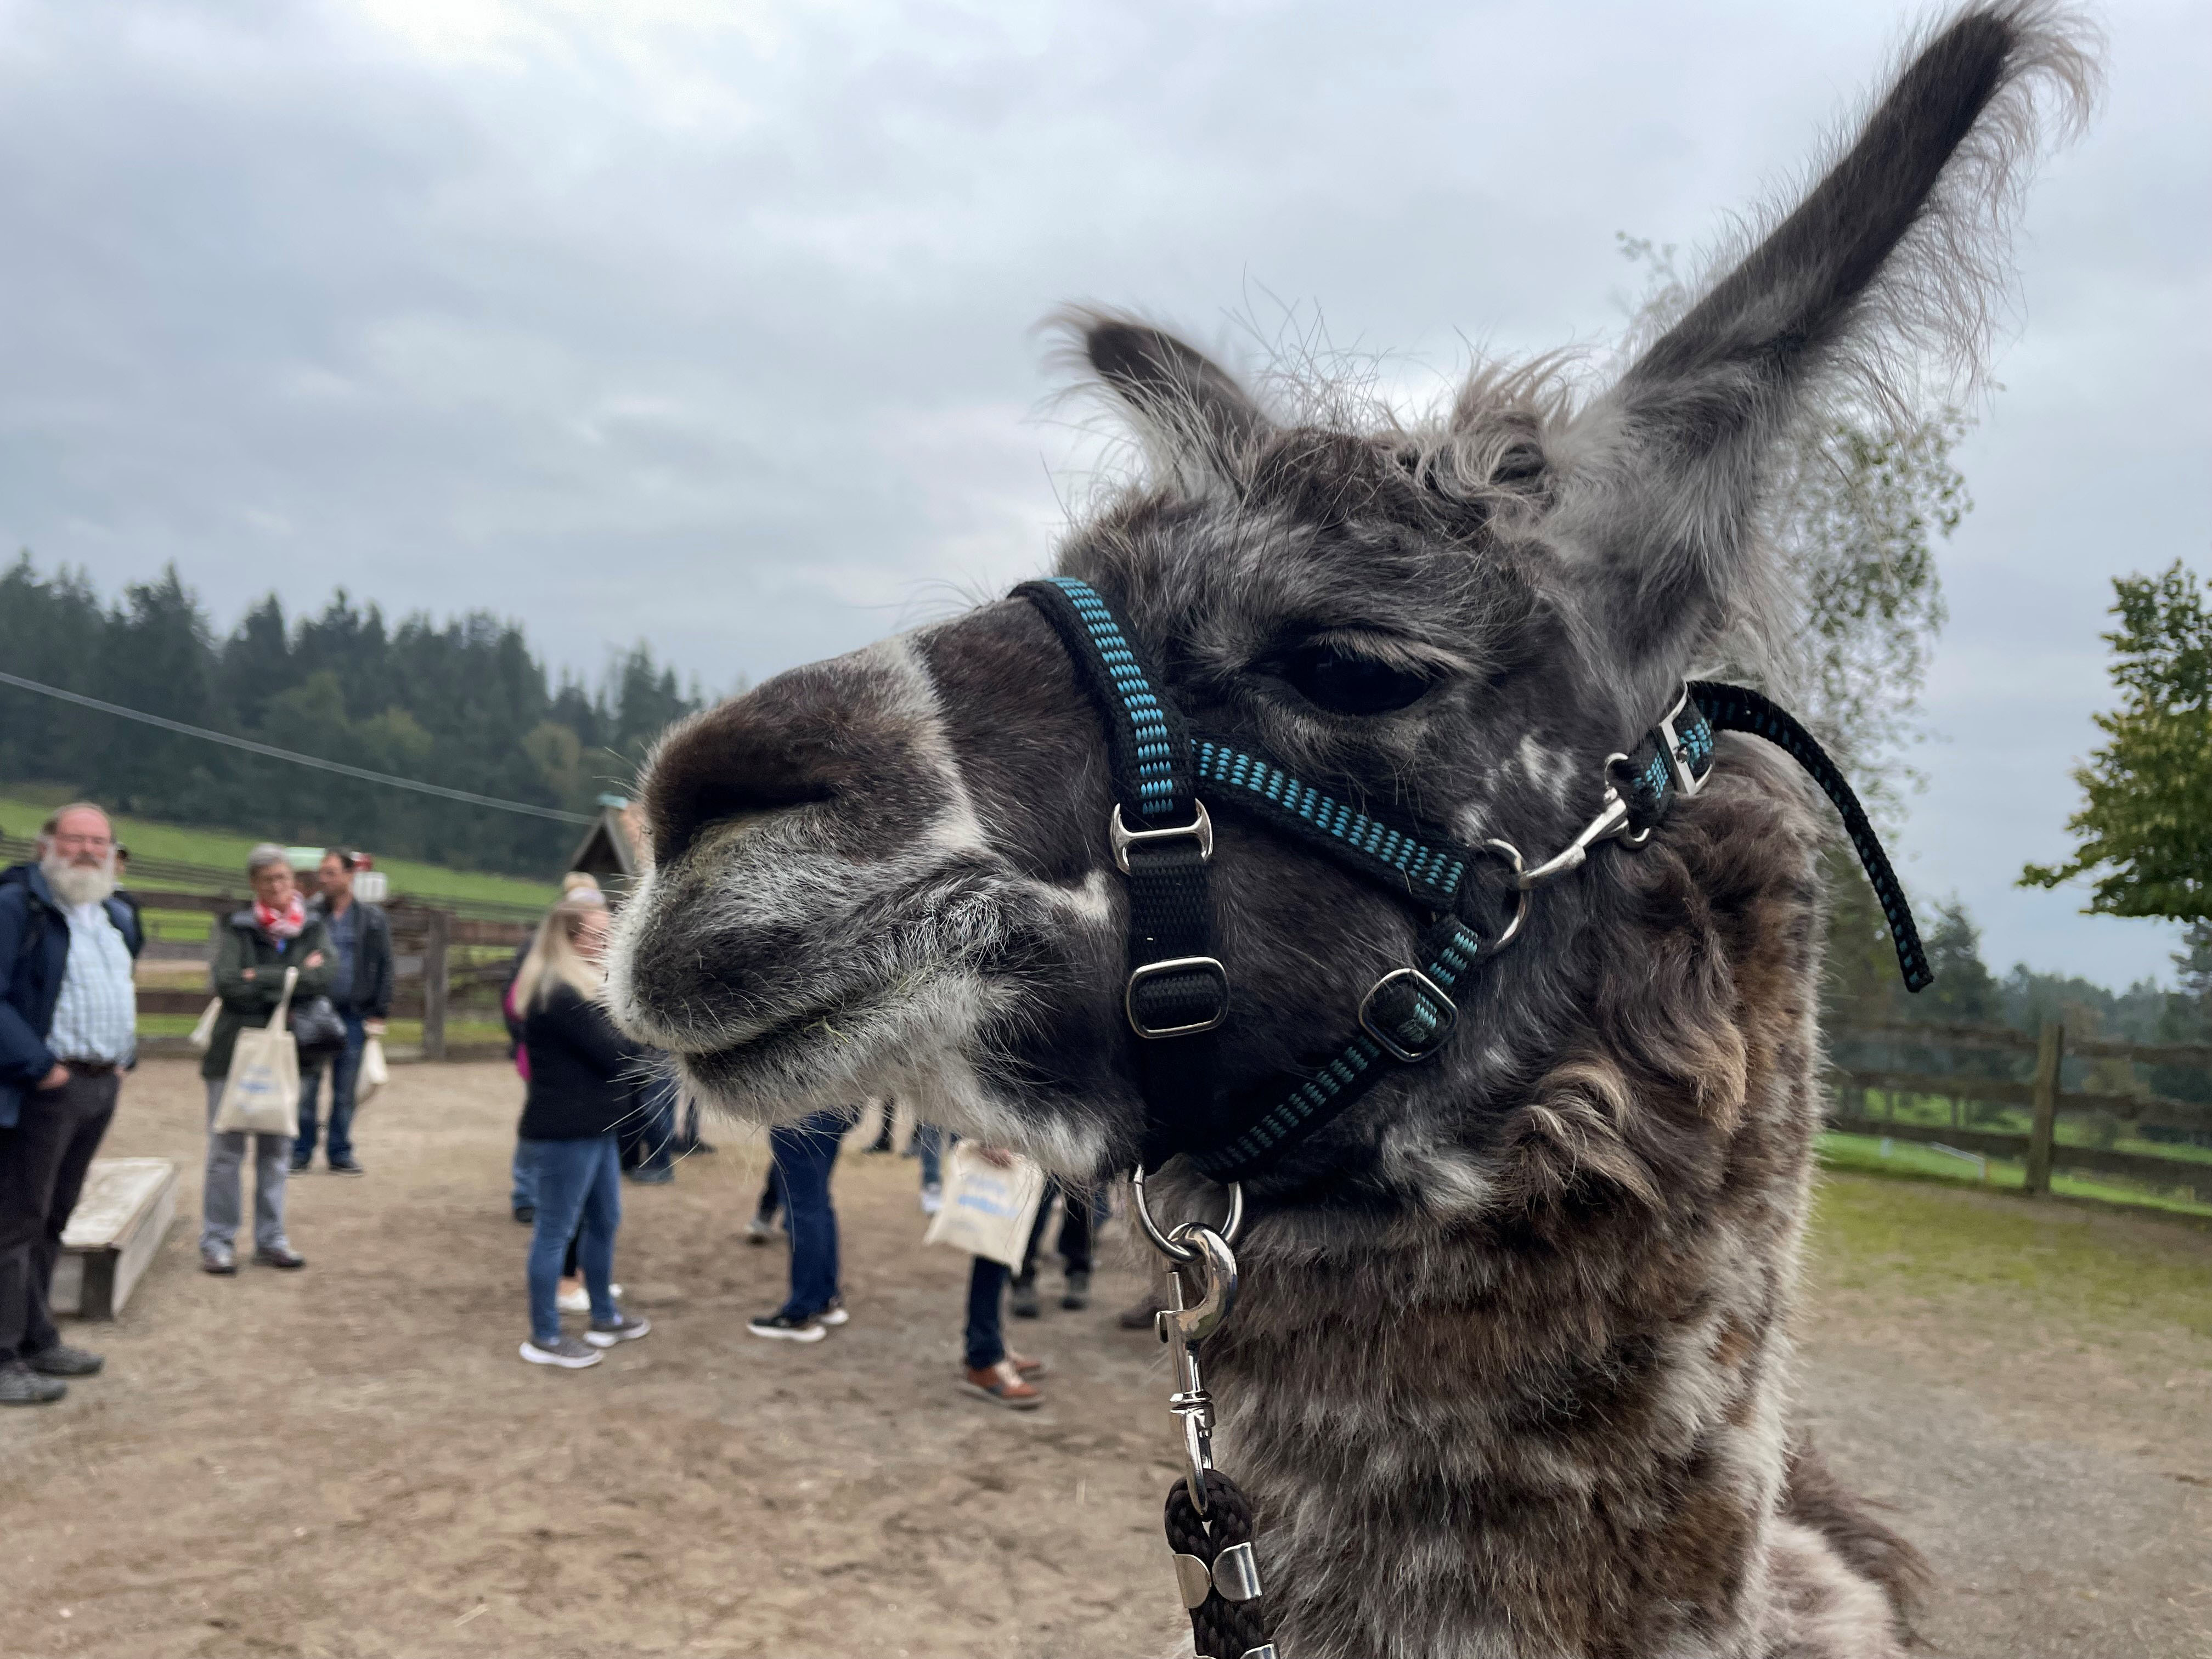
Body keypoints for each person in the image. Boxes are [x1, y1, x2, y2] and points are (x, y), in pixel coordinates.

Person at [0, 804, 143, 1406]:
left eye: (99, 842)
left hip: (97, 1086)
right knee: (14, 1221)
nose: (87, 851)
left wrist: (120, 1059)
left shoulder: (113, 912)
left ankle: (38, 1337)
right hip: (43, 1089)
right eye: (75, 839)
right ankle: (3, 1355)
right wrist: (42, 1069)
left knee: (56, 1215)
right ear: (47, 846)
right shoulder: (18, 908)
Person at [514, 889, 650, 1369]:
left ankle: (604, 1315)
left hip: (594, 1127)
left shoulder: (582, 985)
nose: (609, 940)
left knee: (605, 1220)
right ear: (572, 938)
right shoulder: (560, 992)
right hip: (566, 1130)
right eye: (599, 933)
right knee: (555, 1231)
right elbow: (616, 1054)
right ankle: (544, 1335)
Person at [201, 845, 331, 1276]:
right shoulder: (234, 927)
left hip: (289, 1054)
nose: (277, 886)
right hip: (234, 1052)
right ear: (254, 884)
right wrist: (293, 978)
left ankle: (271, 1239)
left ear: (294, 881)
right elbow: (227, 983)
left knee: (277, 1150)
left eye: (283, 878)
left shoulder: (312, 928)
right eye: (267, 880)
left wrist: (262, 977)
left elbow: (325, 977)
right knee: (226, 1151)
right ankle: (218, 1240)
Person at [295, 848, 391, 1176]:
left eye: (331, 873)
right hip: (312, 1011)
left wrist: (378, 1011)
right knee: (306, 1087)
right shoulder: (309, 916)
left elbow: (384, 967)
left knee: (345, 1090)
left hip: (353, 1013)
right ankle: (301, 1151)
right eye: (323, 873)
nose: (324, 879)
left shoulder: (373, 920)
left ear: (350, 876)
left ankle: (339, 1151)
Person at [746, 1106, 858, 1342]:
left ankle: (801, 1312)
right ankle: (825, 1298)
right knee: (818, 1202)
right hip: (835, 1107)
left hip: (802, 1111)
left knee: (805, 1210)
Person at [957, 1146, 1048, 1410]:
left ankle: (993, 1345)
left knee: (1016, 1246)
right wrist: (987, 1137)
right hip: (1011, 1141)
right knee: (996, 1250)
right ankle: (983, 1359)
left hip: (1036, 1147)